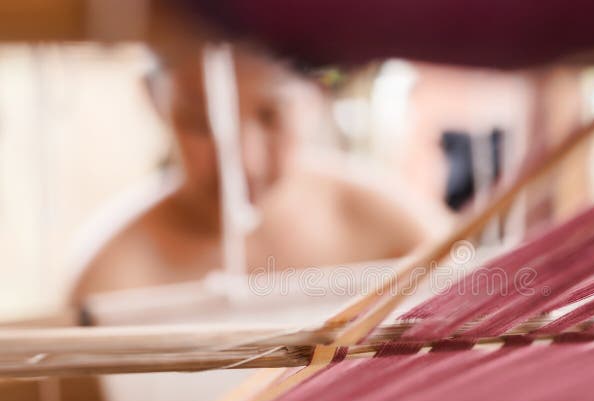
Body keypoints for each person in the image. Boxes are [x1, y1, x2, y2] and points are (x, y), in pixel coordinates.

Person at [69, 48, 449, 302]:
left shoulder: (398, 229)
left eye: (271, 115)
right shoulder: (110, 280)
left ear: (317, 94)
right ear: (157, 104)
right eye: (201, 123)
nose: (243, 161)